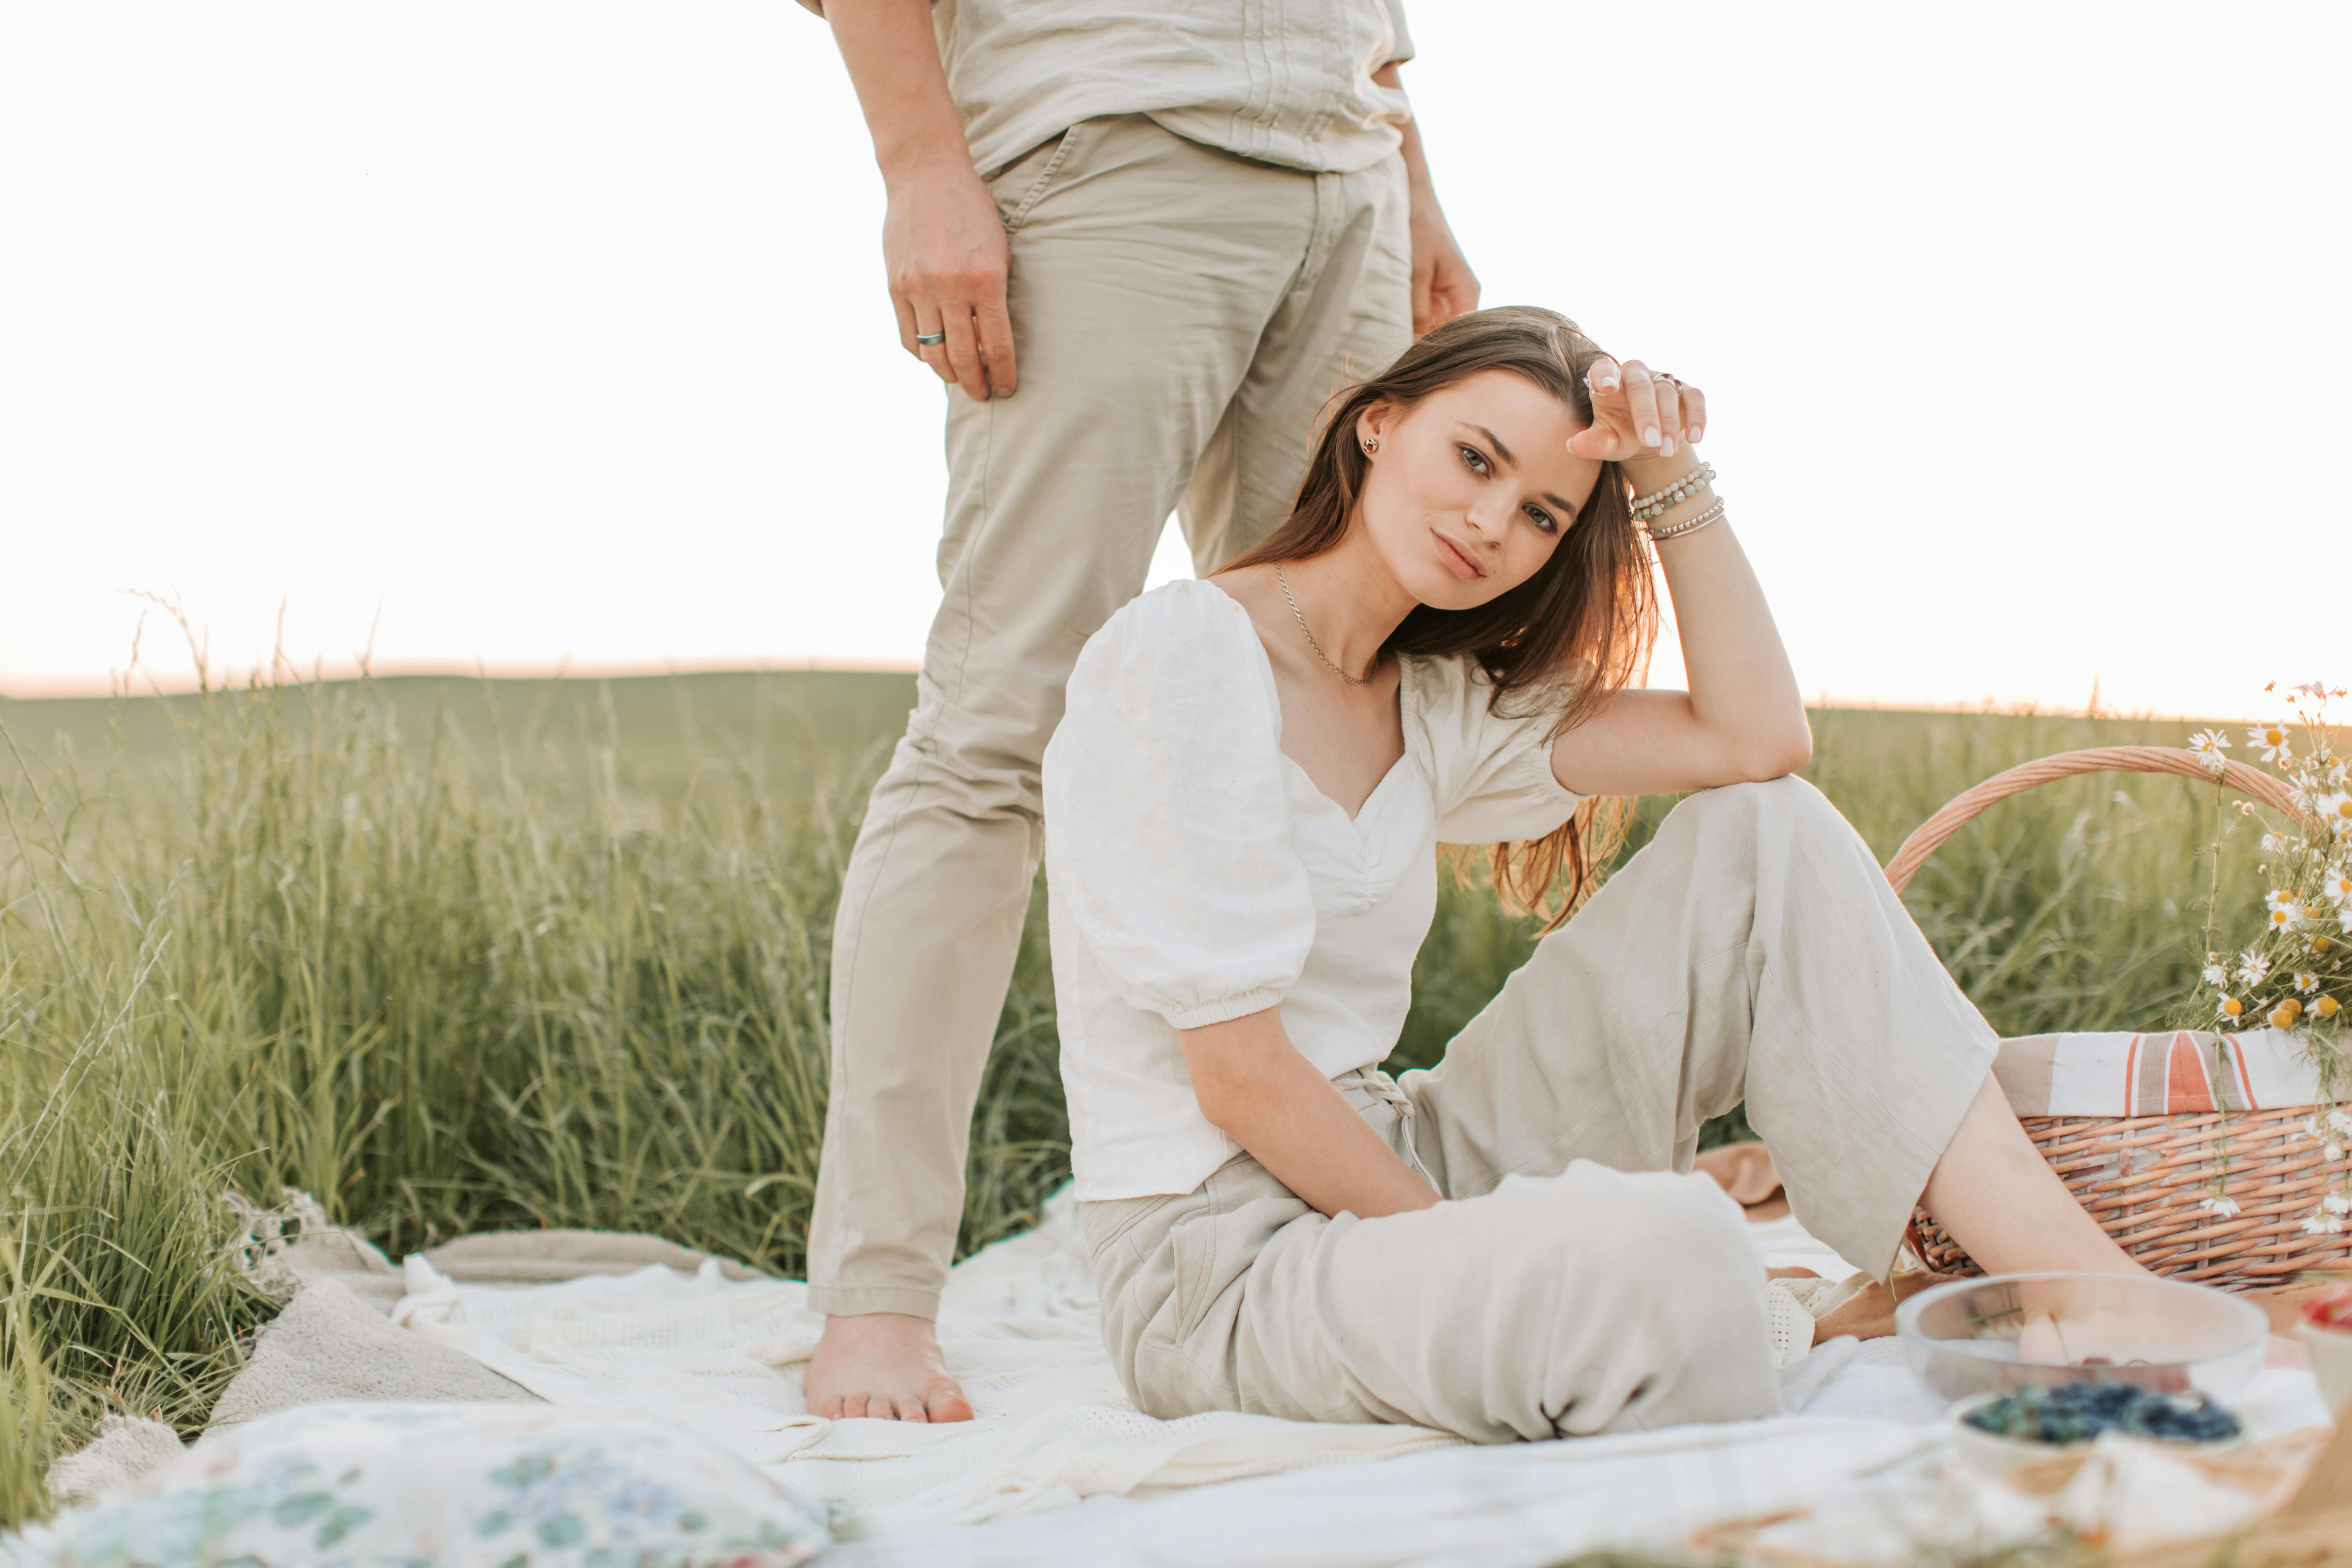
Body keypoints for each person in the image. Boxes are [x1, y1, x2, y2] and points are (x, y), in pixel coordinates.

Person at [1041, 307, 2171, 1438]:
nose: (1491, 524)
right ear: (1378, 425)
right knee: (1678, 1246)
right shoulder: (1183, 652)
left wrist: (1669, 472)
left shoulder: (1429, 702)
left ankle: (2094, 1288)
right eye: (1475, 459)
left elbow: (1756, 740)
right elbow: (1241, 1080)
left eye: (1540, 514)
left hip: (1394, 1154)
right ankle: (1775, 1313)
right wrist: (1473, 1245)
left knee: (1769, 836)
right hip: (1224, 1266)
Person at [799, 0, 1481, 1422]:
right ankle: (876, 1300)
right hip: (1106, 145)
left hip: (1345, 171)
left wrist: (1412, 181)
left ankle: (1277, 1238)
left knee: (1313, 720)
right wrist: (920, 158)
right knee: (999, 734)